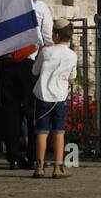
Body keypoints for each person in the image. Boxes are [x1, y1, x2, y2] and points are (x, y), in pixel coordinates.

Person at [0, 0, 54, 168]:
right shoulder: (39, 7)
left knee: (10, 113)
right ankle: (34, 156)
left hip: (5, 64)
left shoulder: (5, 6)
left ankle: (13, 157)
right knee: (33, 112)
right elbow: (48, 39)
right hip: (29, 64)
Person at [31, 18, 78, 179]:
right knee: (59, 132)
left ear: (56, 36)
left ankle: (39, 166)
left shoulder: (46, 52)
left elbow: (35, 71)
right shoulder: (72, 55)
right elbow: (72, 78)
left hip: (43, 96)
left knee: (42, 132)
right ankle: (58, 167)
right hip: (60, 97)